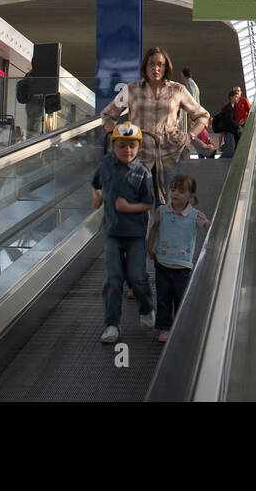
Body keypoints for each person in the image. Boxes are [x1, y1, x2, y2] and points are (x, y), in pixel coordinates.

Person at [100, 47, 210, 206]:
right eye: (151, 64)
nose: (155, 68)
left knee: (169, 204)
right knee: (139, 201)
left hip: (169, 153)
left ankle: (164, 230)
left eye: (160, 64)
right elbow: (107, 115)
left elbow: (202, 115)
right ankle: (143, 230)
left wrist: (189, 136)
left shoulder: (177, 90)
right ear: (145, 66)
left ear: (166, 67)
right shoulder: (131, 90)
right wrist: (121, 137)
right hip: (139, 155)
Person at [92, 122, 155, 344]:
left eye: (132, 146)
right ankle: (111, 324)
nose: (127, 150)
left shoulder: (142, 173)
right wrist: (97, 197)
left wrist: (129, 208)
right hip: (111, 232)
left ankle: (146, 307)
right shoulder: (106, 166)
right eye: (122, 146)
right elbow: (96, 185)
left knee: (137, 277)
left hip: (135, 233)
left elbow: (148, 204)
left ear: (138, 148)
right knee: (112, 279)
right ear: (113, 146)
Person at [147, 173, 210, 343]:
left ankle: (181, 325)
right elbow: (154, 229)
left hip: (182, 266)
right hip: (162, 263)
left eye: (181, 191)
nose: (175, 194)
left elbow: (209, 226)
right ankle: (165, 327)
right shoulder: (162, 211)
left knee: (181, 297)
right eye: (173, 189)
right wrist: (150, 247)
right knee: (163, 297)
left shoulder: (195, 215)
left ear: (191, 196)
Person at [212, 87, 242, 158]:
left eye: (238, 97)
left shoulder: (234, 107)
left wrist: (238, 124)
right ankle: (220, 160)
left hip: (230, 130)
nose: (238, 98)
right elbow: (229, 120)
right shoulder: (228, 108)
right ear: (231, 98)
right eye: (236, 97)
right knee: (231, 150)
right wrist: (238, 126)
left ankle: (221, 149)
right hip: (228, 131)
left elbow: (231, 120)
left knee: (231, 147)